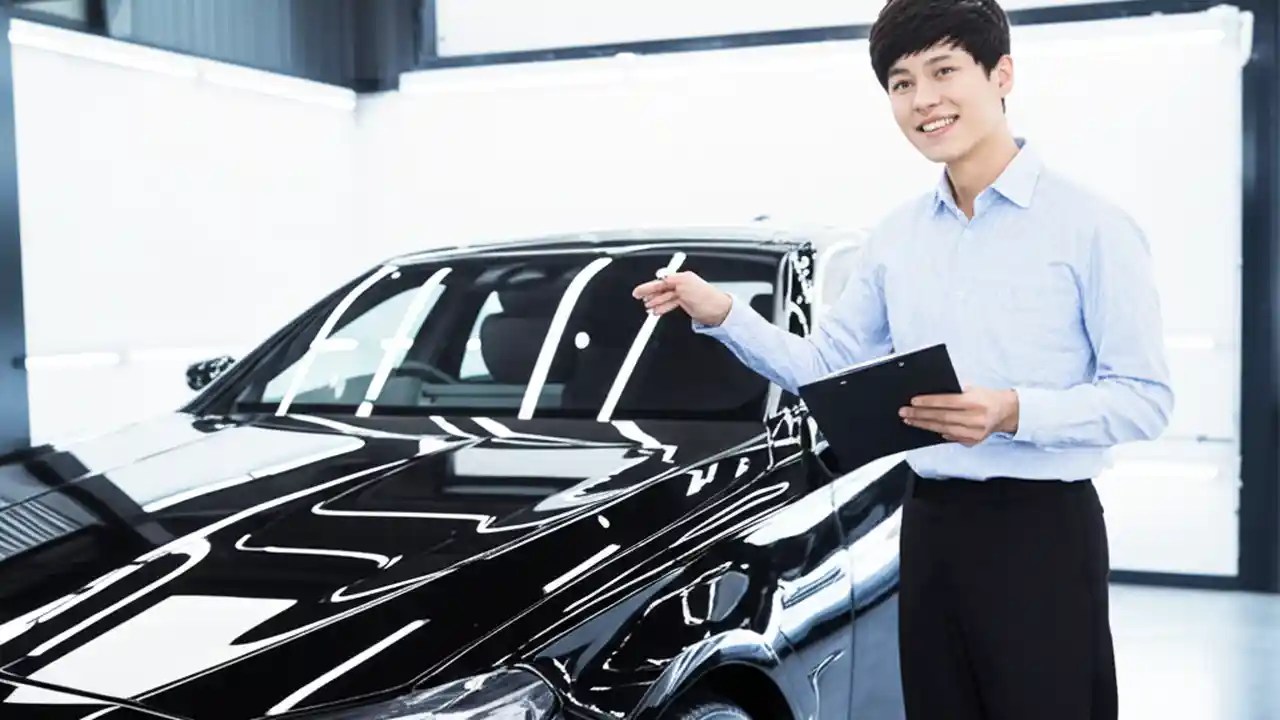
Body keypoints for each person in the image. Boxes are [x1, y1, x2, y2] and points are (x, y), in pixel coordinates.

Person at [631, 0, 1174, 718]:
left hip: (1044, 530)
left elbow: (1144, 398)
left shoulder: (1091, 226)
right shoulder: (895, 239)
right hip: (931, 526)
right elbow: (826, 362)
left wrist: (1012, 412)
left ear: (1002, 73)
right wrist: (725, 313)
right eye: (901, 82)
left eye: (944, 71)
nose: (924, 100)